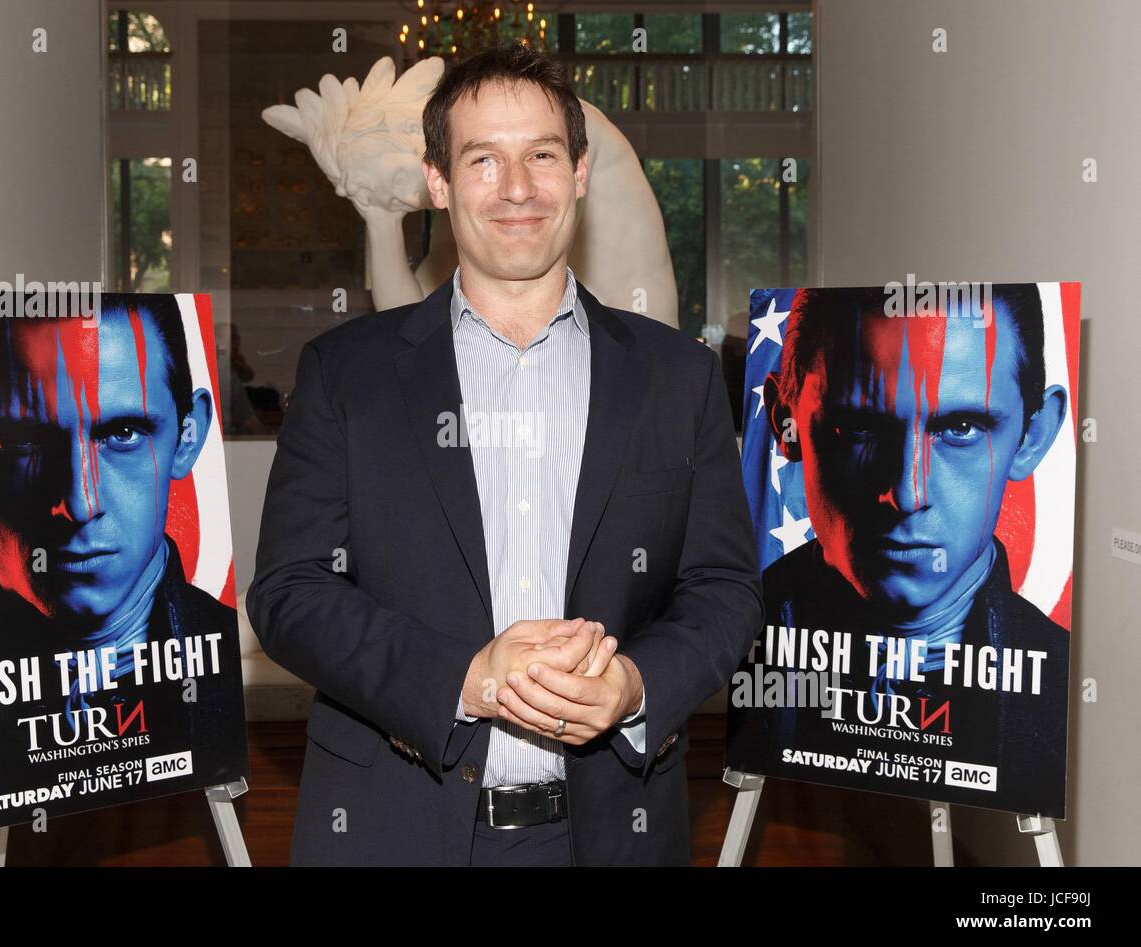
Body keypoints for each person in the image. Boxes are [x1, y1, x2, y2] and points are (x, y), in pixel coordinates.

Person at [247, 45, 763, 866]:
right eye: (483, 159)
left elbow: (724, 589)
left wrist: (635, 686)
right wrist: (466, 678)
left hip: (611, 834)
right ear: (440, 182)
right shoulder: (348, 374)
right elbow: (287, 592)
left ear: (581, 173)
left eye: (542, 156)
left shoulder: (678, 379)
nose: (517, 188)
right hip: (395, 828)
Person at [0, 292, 246, 842]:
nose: (79, 503)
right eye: (21, 440)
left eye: (122, 434)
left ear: (188, 434)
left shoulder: (223, 669)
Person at [728, 285, 1070, 815]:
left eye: (960, 427)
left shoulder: (1053, 685)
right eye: (859, 427)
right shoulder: (733, 638)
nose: (907, 494)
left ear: (1032, 435)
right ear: (784, 420)